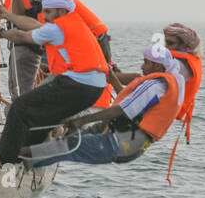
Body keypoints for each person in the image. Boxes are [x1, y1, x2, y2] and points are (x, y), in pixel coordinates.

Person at [0, 0, 108, 167]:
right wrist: (6, 15)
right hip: (94, 89)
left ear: (60, 10)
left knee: (19, 108)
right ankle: (27, 154)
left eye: (49, 12)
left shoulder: (57, 28)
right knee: (44, 117)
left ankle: (4, 158)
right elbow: (35, 26)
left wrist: (2, 33)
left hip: (78, 84)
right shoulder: (73, 23)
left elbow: (22, 36)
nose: (45, 16)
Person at [24, 45, 184, 167]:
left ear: (157, 66)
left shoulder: (154, 86)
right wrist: (113, 79)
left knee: (69, 146)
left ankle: (19, 158)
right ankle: (30, 152)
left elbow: (120, 110)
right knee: (71, 136)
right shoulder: (164, 84)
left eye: (146, 63)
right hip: (125, 138)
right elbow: (130, 103)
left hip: (122, 143)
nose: (142, 67)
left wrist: (82, 120)